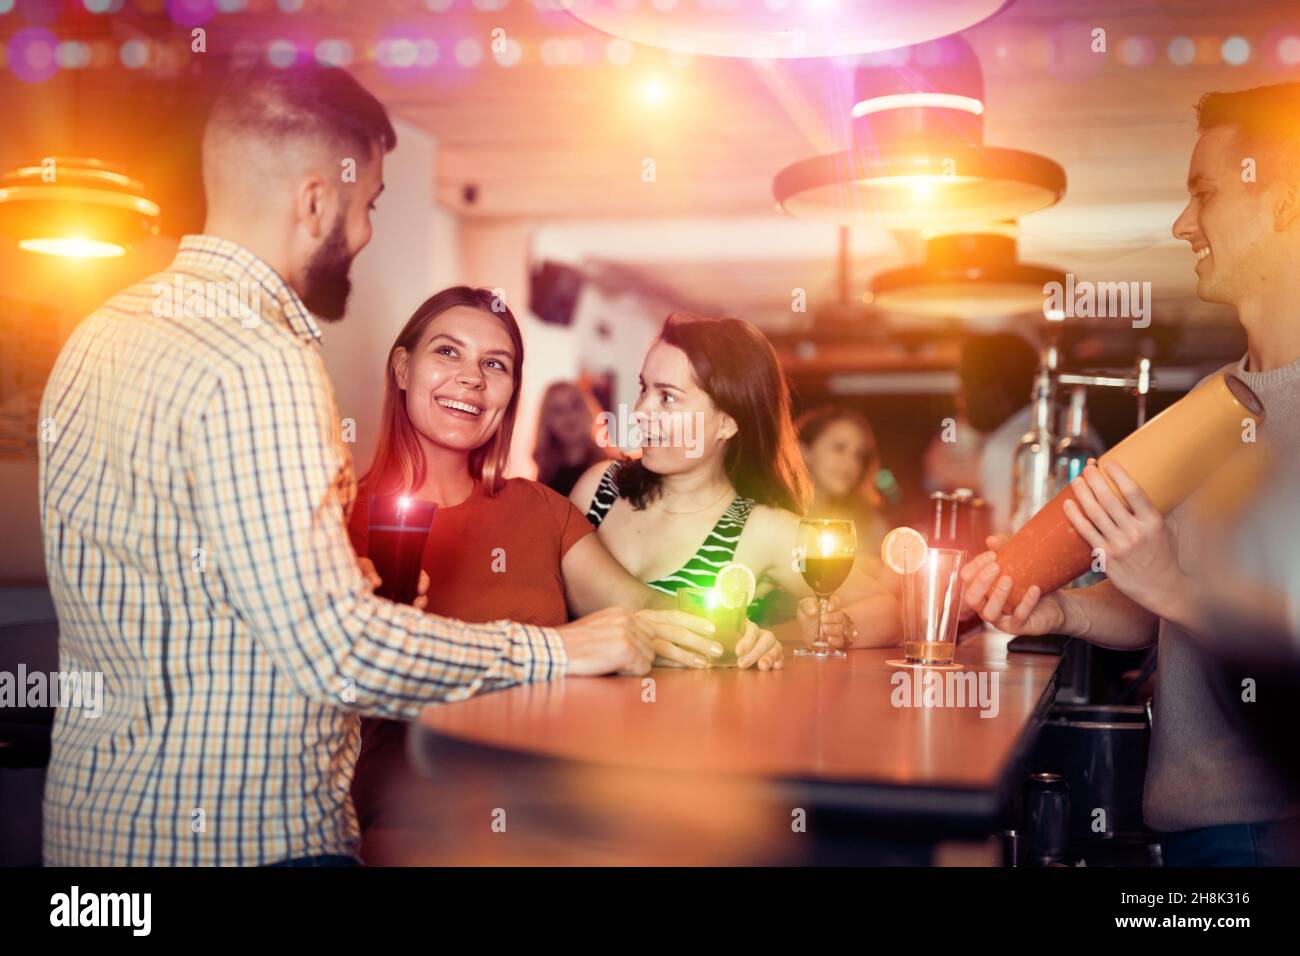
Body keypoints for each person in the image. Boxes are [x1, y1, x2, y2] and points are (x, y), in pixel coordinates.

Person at [36, 66, 665, 868]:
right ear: (314, 201)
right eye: (366, 203)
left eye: (497, 365)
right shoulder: (262, 360)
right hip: (244, 843)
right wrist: (555, 652)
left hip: (96, 841)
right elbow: (337, 652)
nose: (366, 231)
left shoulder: (100, 333)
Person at [962, 83, 1300, 866]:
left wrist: (1176, 586)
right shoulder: (1220, 402)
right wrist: (1067, 613)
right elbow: (1159, 611)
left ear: (1284, 204)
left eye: (1204, 194)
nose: (1184, 224)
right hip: (1191, 831)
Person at [345, 289, 782, 863]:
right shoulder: (338, 516)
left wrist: (742, 632)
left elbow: (646, 611)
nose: (471, 378)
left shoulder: (540, 509)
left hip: (564, 796)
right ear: (403, 368)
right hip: (423, 811)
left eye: (494, 365)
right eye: (448, 353)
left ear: (511, 391)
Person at [570, 313, 899, 649]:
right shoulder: (600, 488)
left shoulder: (763, 529)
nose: (640, 410)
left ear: (727, 423)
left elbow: (888, 609)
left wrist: (829, 631)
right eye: (644, 388)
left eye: (667, 397)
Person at [958, 331, 1040, 534]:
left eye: (968, 386)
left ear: (995, 389)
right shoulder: (1084, 432)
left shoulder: (1004, 451)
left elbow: (1004, 545)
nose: (959, 399)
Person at [796, 405, 890, 561]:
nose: (851, 464)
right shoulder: (776, 517)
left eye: (858, 455)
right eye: (839, 448)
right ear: (804, 450)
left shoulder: (868, 522)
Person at [532, 380, 613, 496]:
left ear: (587, 410)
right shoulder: (546, 476)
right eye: (558, 410)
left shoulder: (609, 468)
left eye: (575, 406)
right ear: (547, 422)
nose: (568, 416)